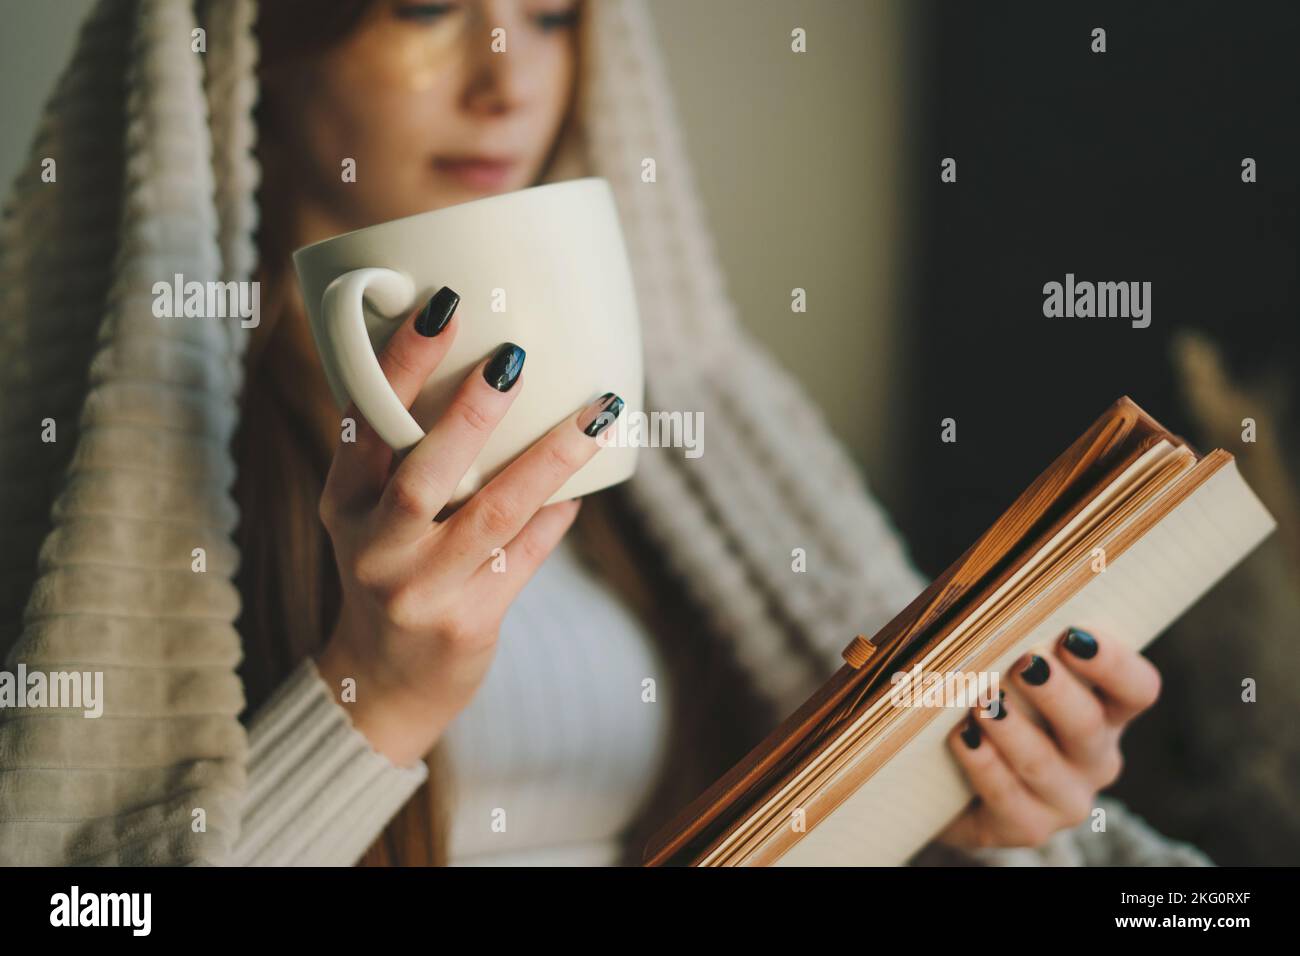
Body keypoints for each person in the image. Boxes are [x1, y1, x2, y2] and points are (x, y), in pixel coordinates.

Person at [0, 0, 1209, 866]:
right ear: (249, 40)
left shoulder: (691, 447)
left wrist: (955, 809)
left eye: (551, 15)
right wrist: (376, 699)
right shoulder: (113, 457)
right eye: (423, 10)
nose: (505, 78)